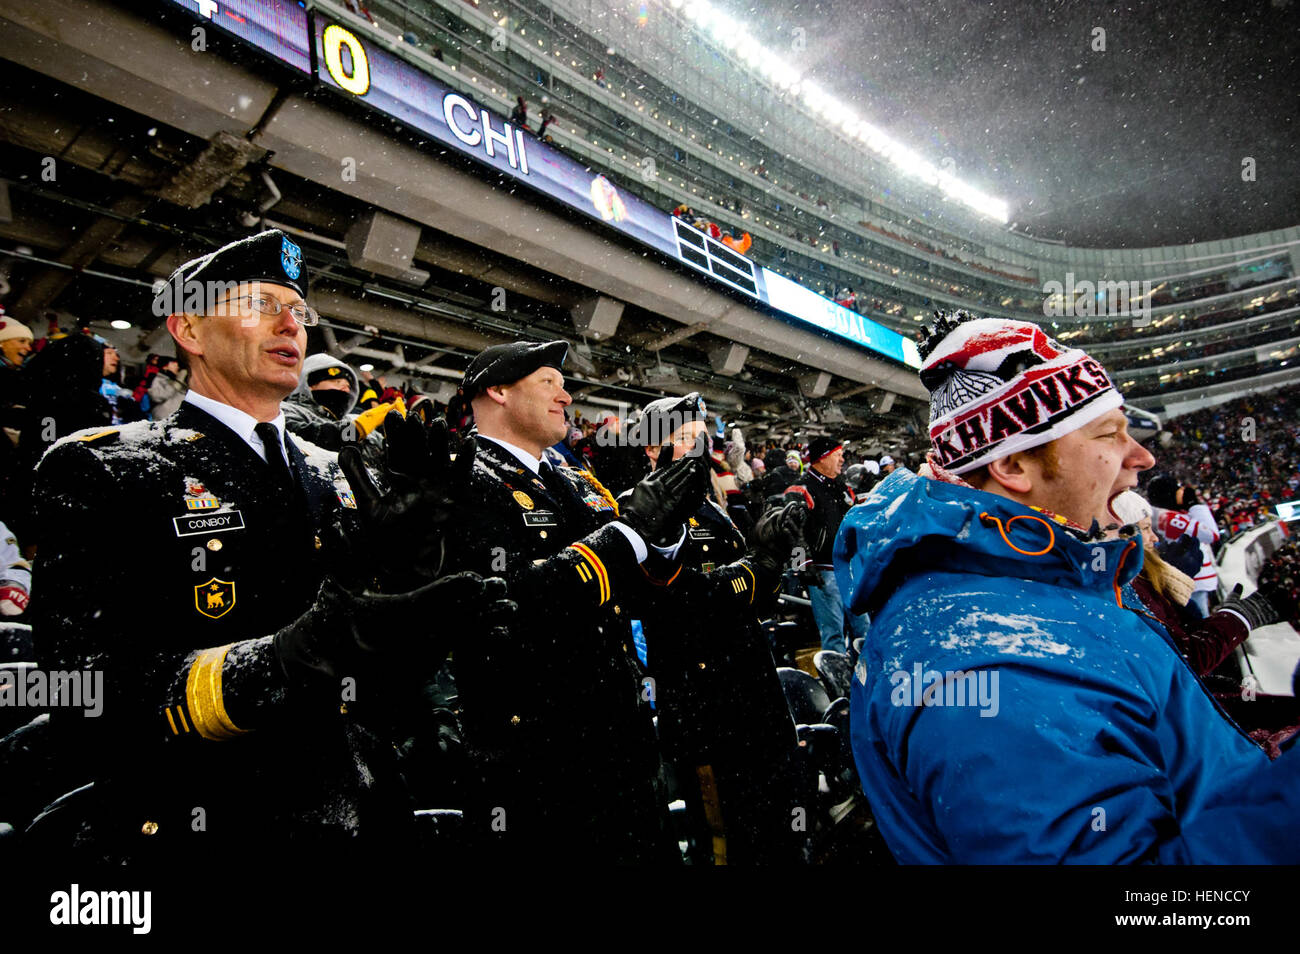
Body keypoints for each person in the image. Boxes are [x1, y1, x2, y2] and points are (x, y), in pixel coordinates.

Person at [30, 229, 504, 861]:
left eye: (300, 310)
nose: (291, 323)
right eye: (259, 305)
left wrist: (415, 572)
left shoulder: (341, 469)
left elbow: (375, 665)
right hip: (214, 831)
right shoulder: (110, 469)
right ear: (189, 331)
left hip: (367, 814)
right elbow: (83, 692)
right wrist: (282, 661)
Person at [837, 311, 1300, 863]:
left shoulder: (1024, 587)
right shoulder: (991, 666)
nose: (1142, 458)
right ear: (1012, 465)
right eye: (1109, 434)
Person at [400, 339, 708, 863]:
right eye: (549, 381)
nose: (567, 396)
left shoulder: (576, 479)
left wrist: (666, 525)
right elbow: (512, 605)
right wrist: (629, 532)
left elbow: (636, 590)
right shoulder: (459, 480)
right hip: (541, 756)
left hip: (621, 739)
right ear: (496, 391)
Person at [625, 392, 806, 864]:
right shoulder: (639, 509)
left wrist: (770, 560)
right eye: (684, 438)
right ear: (651, 449)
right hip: (704, 698)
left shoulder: (713, 505)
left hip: (750, 685)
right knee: (724, 835)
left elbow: (749, 602)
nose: (699, 446)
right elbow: (678, 600)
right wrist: (757, 571)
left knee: (773, 822)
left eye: (701, 436)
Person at [787, 435, 864, 654]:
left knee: (865, 630)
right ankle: (838, 683)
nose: (842, 460)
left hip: (851, 569)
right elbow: (791, 530)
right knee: (833, 634)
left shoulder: (843, 489)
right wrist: (802, 566)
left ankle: (868, 679)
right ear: (823, 458)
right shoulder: (801, 489)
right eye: (838, 456)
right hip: (823, 571)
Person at [1146, 473, 1222, 617]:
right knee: (1198, 622)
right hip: (1190, 580)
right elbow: (1212, 534)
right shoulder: (1164, 515)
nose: (1182, 492)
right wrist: (1194, 504)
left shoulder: (1160, 513)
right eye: (1178, 489)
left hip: (1186, 578)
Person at [147, 355, 187, 421]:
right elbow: (157, 397)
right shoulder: (158, 379)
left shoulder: (174, 380)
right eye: (173, 364)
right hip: (164, 419)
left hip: (176, 418)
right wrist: (177, 383)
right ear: (165, 366)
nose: (177, 366)